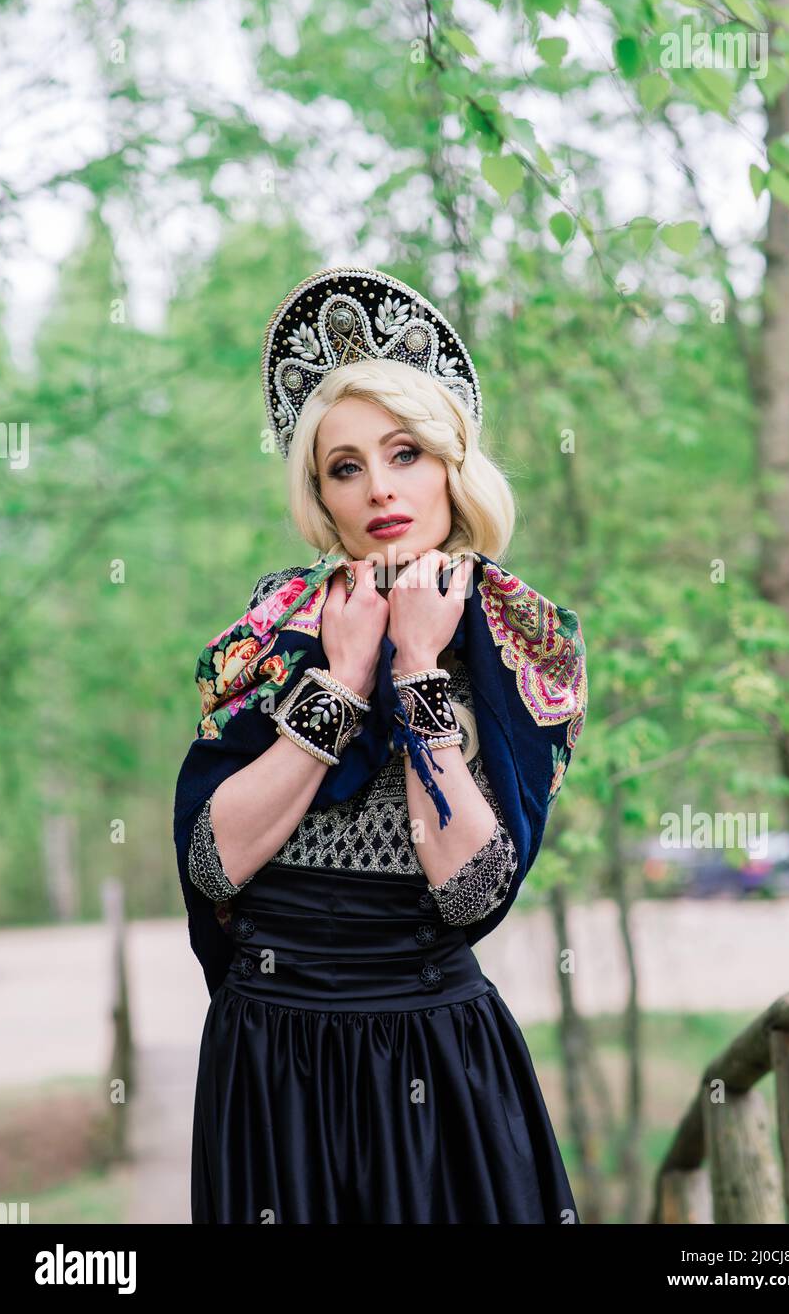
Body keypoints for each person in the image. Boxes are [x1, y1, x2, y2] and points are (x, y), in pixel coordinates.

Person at [174, 266, 588, 1224]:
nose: (380, 488)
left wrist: (416, 668)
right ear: (321, 495)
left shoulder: (521, 642)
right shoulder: (271, 636)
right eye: (346, 466)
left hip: (436, 1053)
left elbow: (472, 891)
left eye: (405, 453)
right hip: (271, 1056)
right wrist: (343, 678)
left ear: (451, 465)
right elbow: (214, 863)